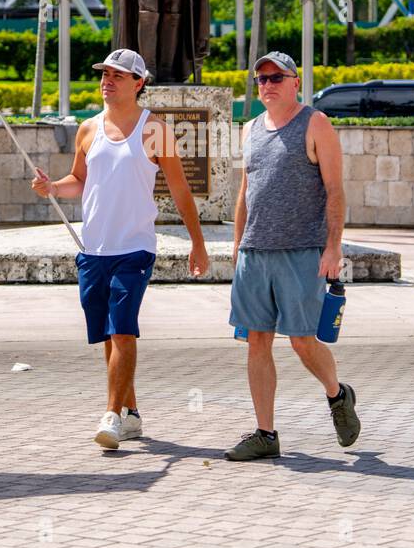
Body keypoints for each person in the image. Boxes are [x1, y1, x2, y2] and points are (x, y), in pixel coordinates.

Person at [31, 48, 209, 448]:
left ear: (138, 83)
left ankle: (111, 415)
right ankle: (131, 414)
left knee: (124, 330)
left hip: (135, 248)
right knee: (108, 336)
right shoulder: (88, 129)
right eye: (104, 74)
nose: (107, 81)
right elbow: (78, 179)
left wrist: (197, 244)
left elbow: (180, 190)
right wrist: (52, 188)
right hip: (93, 248)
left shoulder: (155, 130)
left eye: (117, 75)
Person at [224, 52, 360, 462]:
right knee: (257, 341)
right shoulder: (250, 129)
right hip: (254, 251)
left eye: (275, 77)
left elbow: (335, 190)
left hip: (301, 251)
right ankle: (266, 433)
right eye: (261, 79)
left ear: (294, 82)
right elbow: (246, 192)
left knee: (302, 341)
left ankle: (337, 395)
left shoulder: (314, 123)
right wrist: (237, 245)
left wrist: (334, 247)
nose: (267, 85)